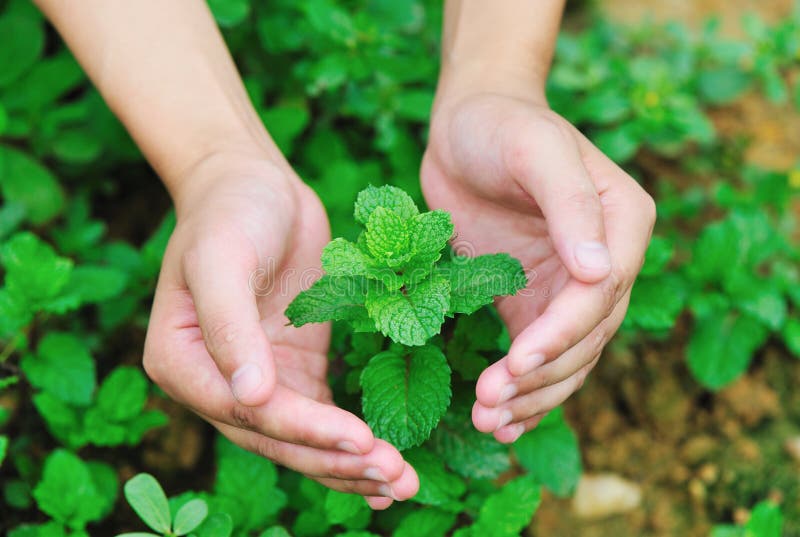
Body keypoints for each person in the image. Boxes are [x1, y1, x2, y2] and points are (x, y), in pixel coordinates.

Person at [35, 0, 655, 509]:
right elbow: (395, 316)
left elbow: (419, 317)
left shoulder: (426, 279)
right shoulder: (370, 289)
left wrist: (498, 78)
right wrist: (211, 161)